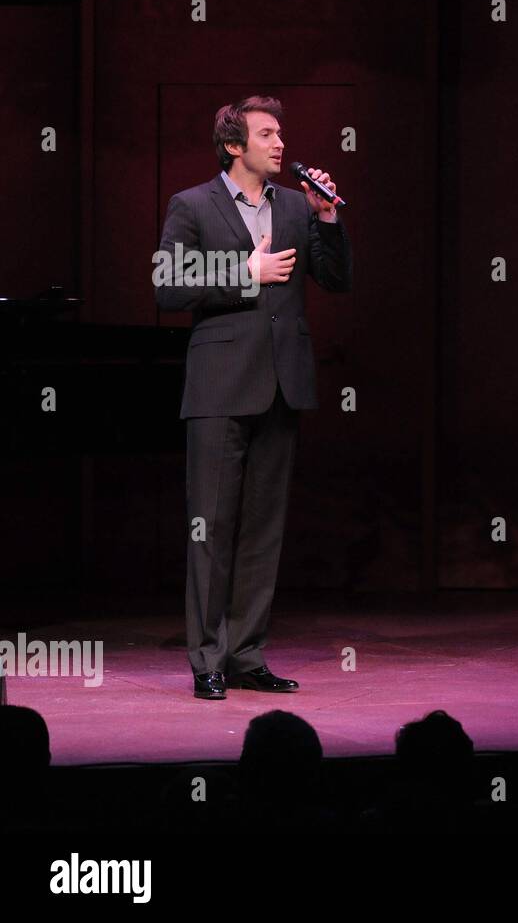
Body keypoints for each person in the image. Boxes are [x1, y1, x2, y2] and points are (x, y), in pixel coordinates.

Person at [155, 96, 352, 699]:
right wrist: (247, 275)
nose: (281, 144)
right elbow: (167, 285)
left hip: (281, 384)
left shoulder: (294, 205)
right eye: (267, 134)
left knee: (263, 531)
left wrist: (327, 220)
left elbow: (336, 280)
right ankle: (207, 660)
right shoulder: (192, 205)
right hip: (219, 388)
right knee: (209, 529)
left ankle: (246, 655)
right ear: (235, 146)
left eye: (281, 133)